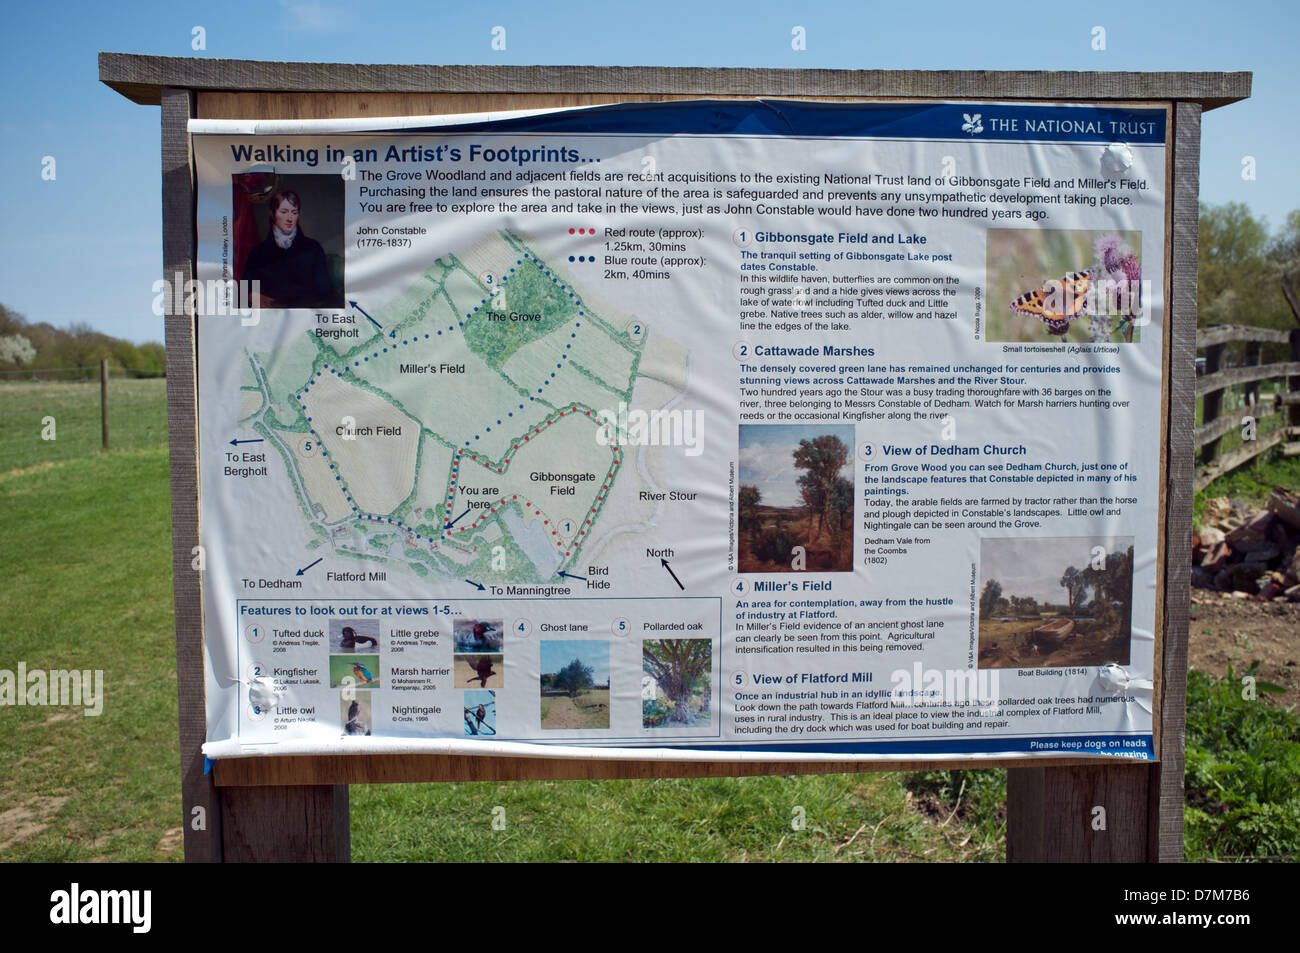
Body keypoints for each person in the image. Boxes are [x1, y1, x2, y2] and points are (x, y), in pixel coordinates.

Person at [242, 189, 335, 308]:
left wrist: (286, 304)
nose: (290, 218)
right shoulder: (258, 252)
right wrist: (252, 296)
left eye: (294, 212)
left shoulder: (312, 249)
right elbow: (244, 291)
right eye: (284, 212)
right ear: (272, 213)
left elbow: (325, 292)